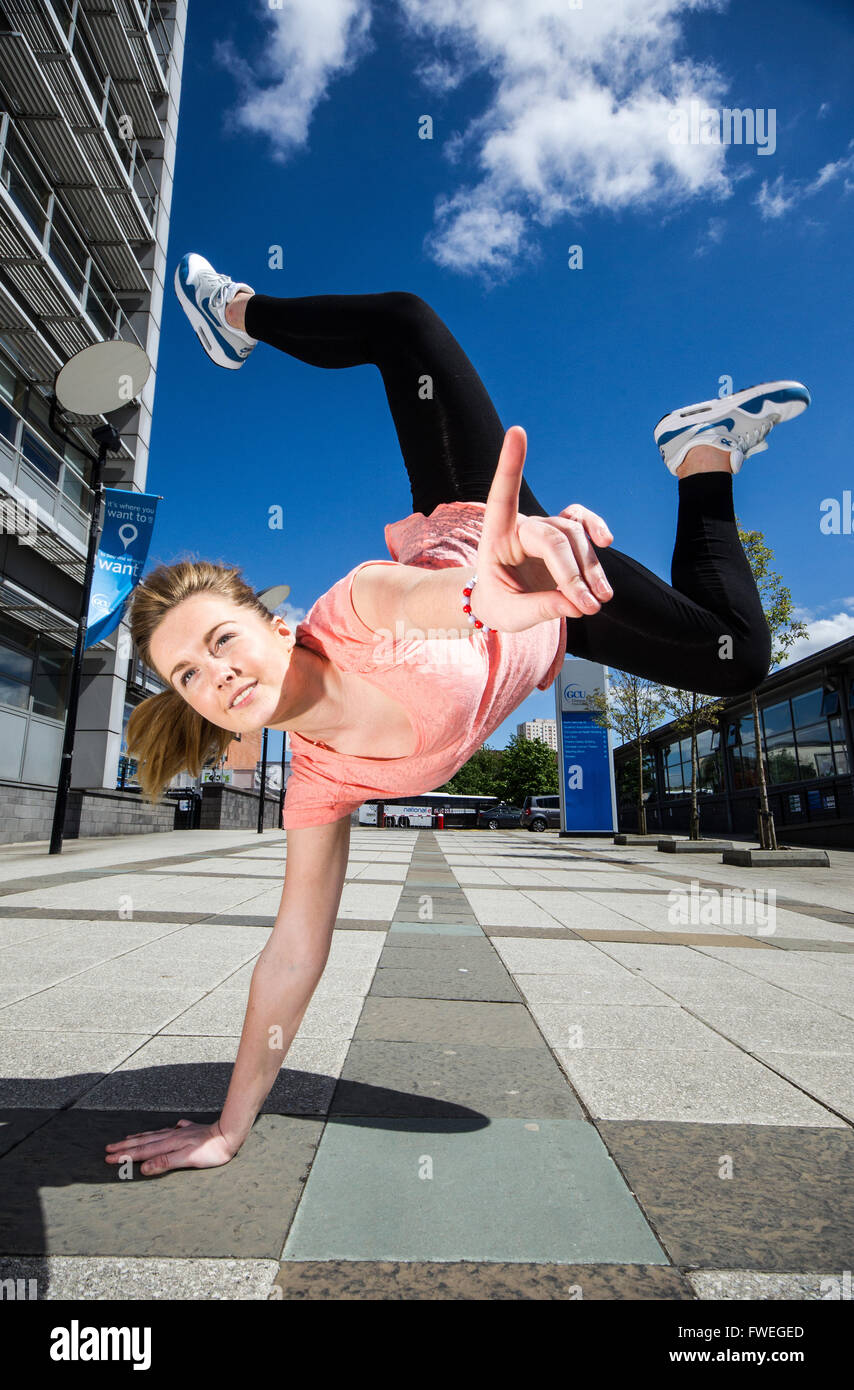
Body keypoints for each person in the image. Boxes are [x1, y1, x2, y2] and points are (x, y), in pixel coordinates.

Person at [105, 253, 809, 1176]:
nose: (218, 677)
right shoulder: (318, 786)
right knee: (737, 656)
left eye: (224, 642)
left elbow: (427, 602)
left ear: (277, 626)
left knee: (404, 322)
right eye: (190, 675)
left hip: (495, 538)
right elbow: (292, 953)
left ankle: (233, 309)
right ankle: (701, 454)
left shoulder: (356, 610)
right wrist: (228, 1128)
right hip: (560, 619)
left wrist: (495, 590)